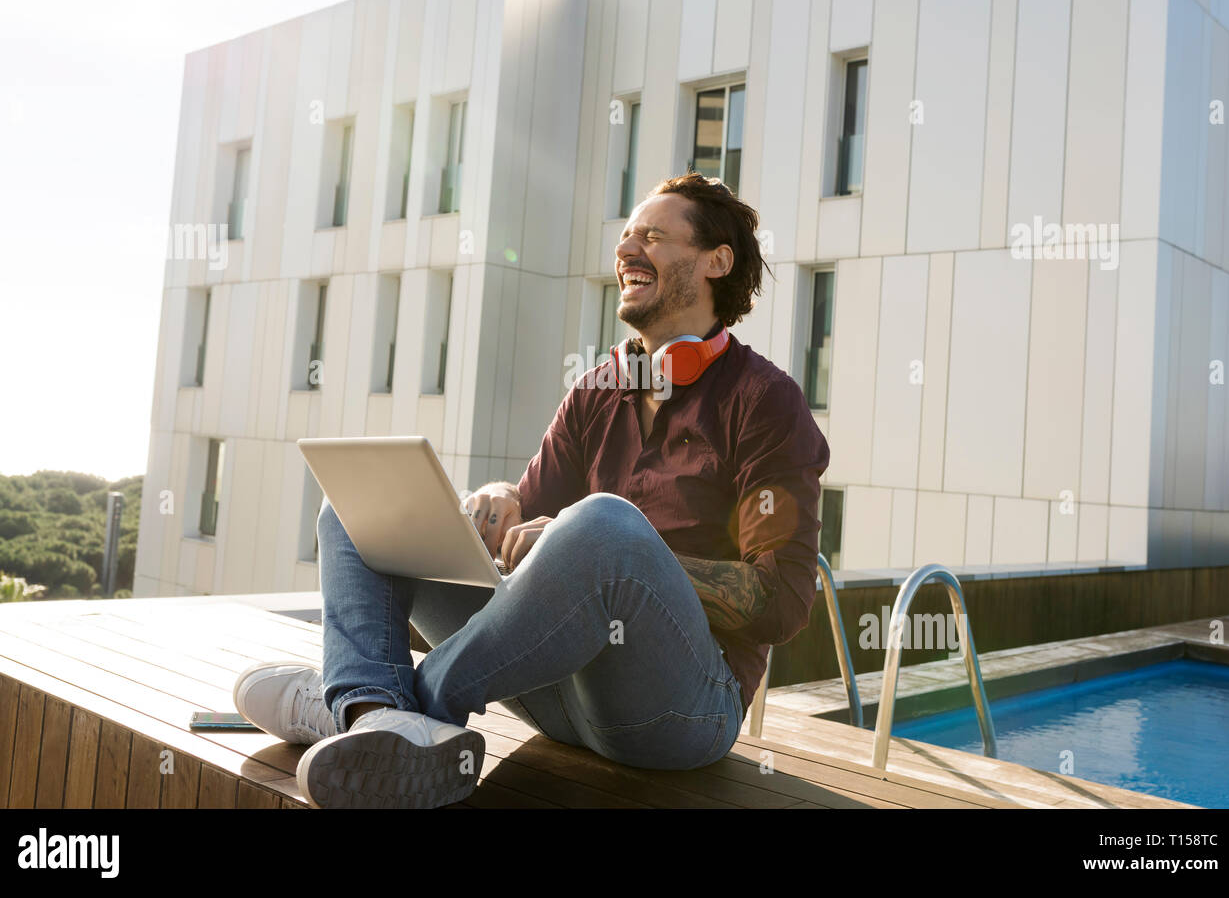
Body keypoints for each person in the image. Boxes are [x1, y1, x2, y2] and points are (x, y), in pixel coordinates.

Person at [233, 172, 830, 808]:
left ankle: (373, 707)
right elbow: (528, 529)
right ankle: (372, 712)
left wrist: (625, 559)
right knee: (360, 502)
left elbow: (781, 602)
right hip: (557, 694)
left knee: (604, 526)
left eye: (654, 237)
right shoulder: (597, 390)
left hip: (680, 713)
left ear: (717, 261)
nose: (627, 249)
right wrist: (498, 500)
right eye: (626, 236)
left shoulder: (765, 401)